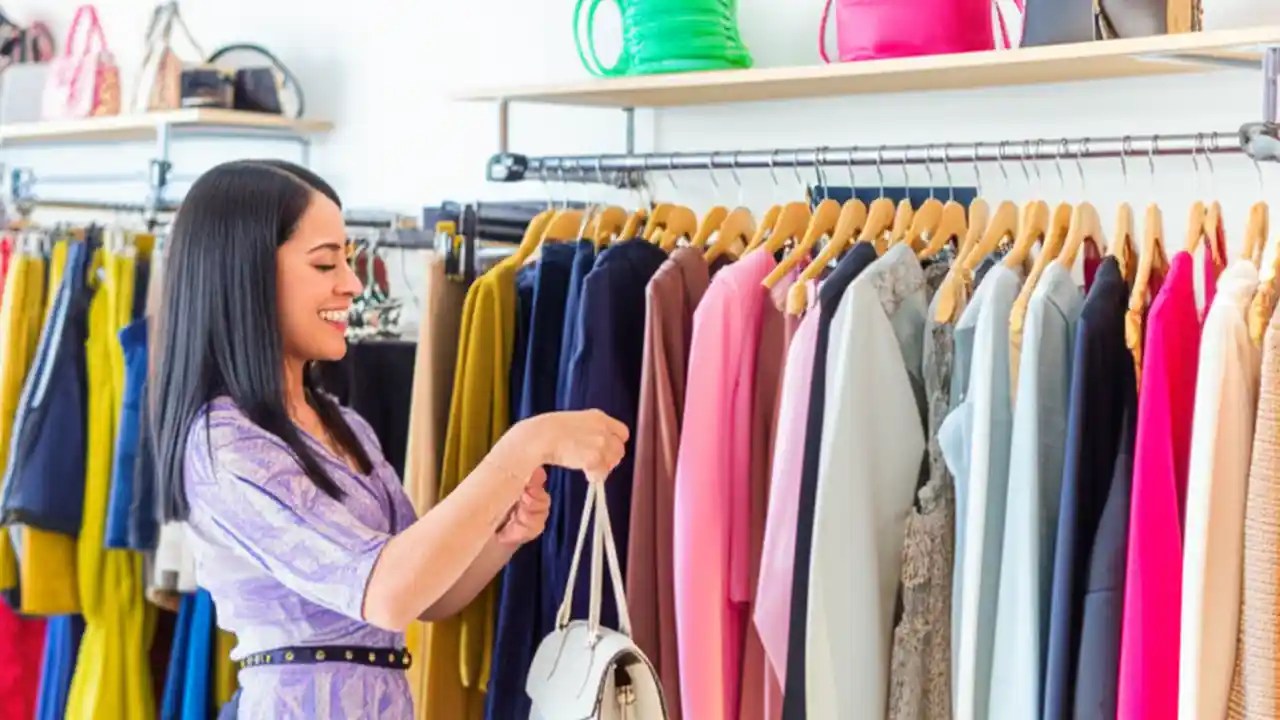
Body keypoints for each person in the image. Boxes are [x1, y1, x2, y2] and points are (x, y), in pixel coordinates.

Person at [150, 159, 628, 718]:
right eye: (326, 262)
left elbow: (424, 595)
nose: (352, 283)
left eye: (347, 260)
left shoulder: (341, 425)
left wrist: (503, 536)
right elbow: (387, 593)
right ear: (245, 274)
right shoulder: (226, 446)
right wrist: (523, 446)